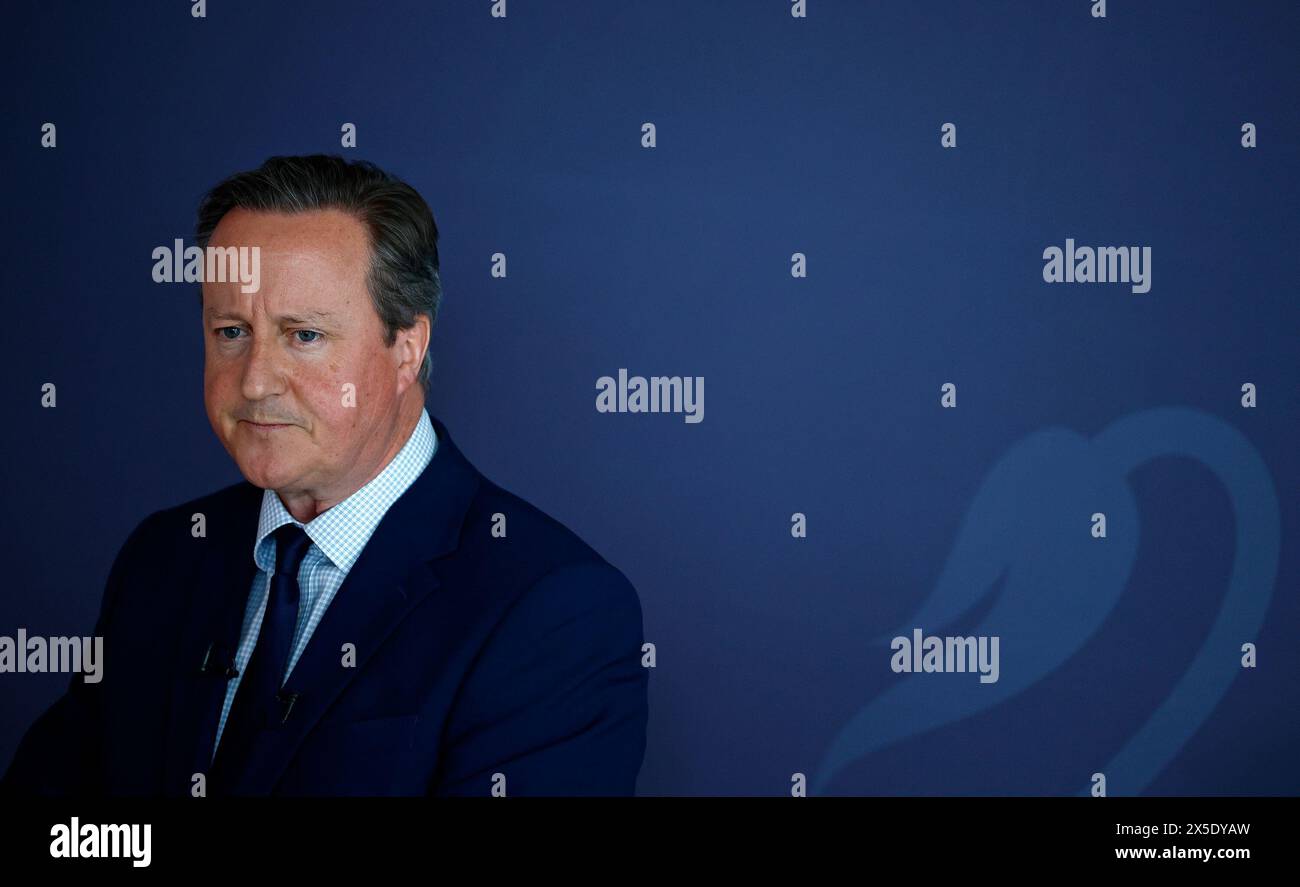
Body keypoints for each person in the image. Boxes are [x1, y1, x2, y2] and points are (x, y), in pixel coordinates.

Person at [1, 155, 648, 796]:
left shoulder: (552, 612)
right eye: (231, 331)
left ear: (407, 347)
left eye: (303, 335)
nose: (254, 381)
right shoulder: (164, 559)